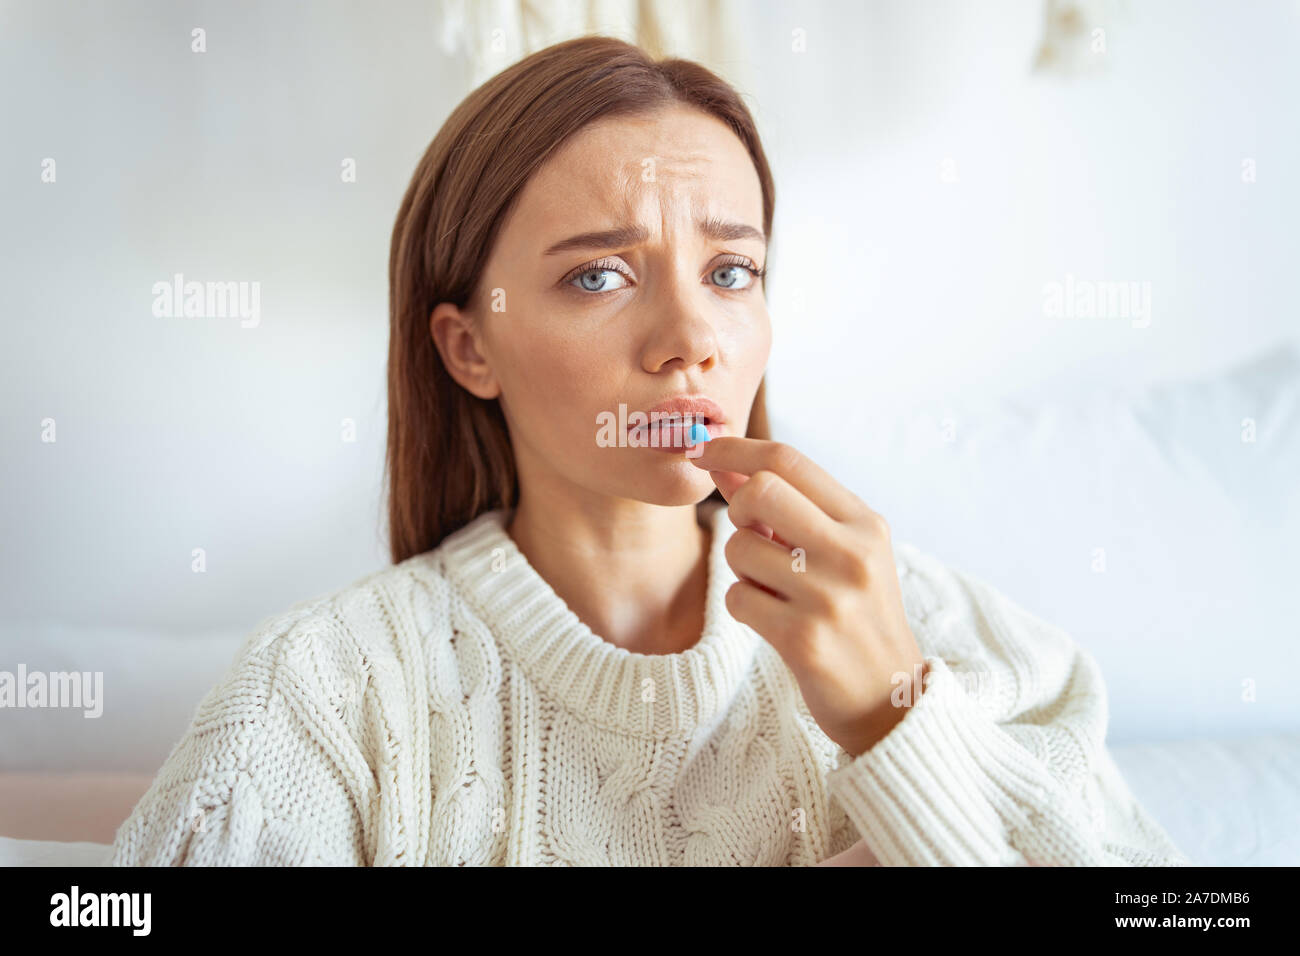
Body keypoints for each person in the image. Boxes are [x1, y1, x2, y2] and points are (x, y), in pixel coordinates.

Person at [108, 35, 1189, 867]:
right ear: (469, 345)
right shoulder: (325, 689)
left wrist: (896, 713)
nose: (690, 343)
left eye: (731, 273)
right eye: (599, 276)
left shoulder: (939, 632)